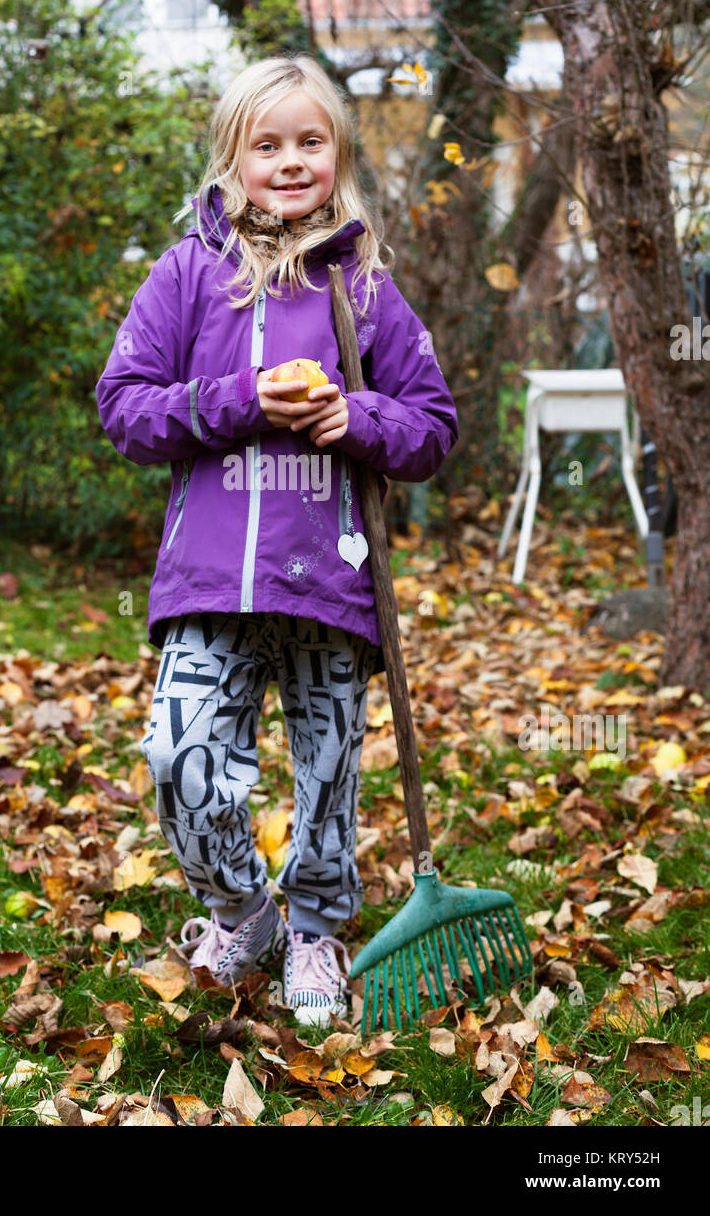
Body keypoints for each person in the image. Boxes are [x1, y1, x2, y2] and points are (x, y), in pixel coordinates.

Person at [95, 53, 458, 1027]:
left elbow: (431, 424)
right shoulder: (186, 275)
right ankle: (242, 910)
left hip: (329, 581)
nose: (291, 160)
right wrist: (238, 402)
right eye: (268, 143)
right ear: (231, 158)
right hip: (208, 576)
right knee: (179, 753)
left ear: (336, 156)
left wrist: (357, 419)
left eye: (311, 141)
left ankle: (314, 932)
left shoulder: (365, 288)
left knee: (328, 766)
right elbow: (123, 407)